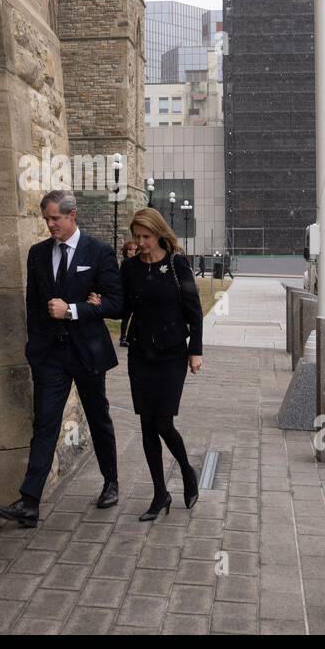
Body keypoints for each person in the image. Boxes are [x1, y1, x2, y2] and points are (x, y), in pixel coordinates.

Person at [0, 191, 122, 528]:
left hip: (87, 353)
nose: (49, 225)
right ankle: (30, 503)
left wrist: (75, 309)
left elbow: (116, 303)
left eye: (55, 219)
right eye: (46, 219)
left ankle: (111, 482)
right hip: (50, 357)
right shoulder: (37, 254)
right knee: (45, 424)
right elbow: (34, 306)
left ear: (72, 215)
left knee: (98, 416)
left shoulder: (99, 251)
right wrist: (36, 349)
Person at [91, 209, 202, 520]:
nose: (140, 242)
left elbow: (194, 310)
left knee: (163, 422)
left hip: (172, 354)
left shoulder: (177, 263)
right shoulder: (129, 268)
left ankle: (186, 469)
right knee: (146, 426)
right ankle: (159, 494)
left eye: (146, 237)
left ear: (159, 234)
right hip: (141, 355)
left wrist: (196, 351)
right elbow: (123, 309)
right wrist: (102, 306)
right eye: (137, 237)